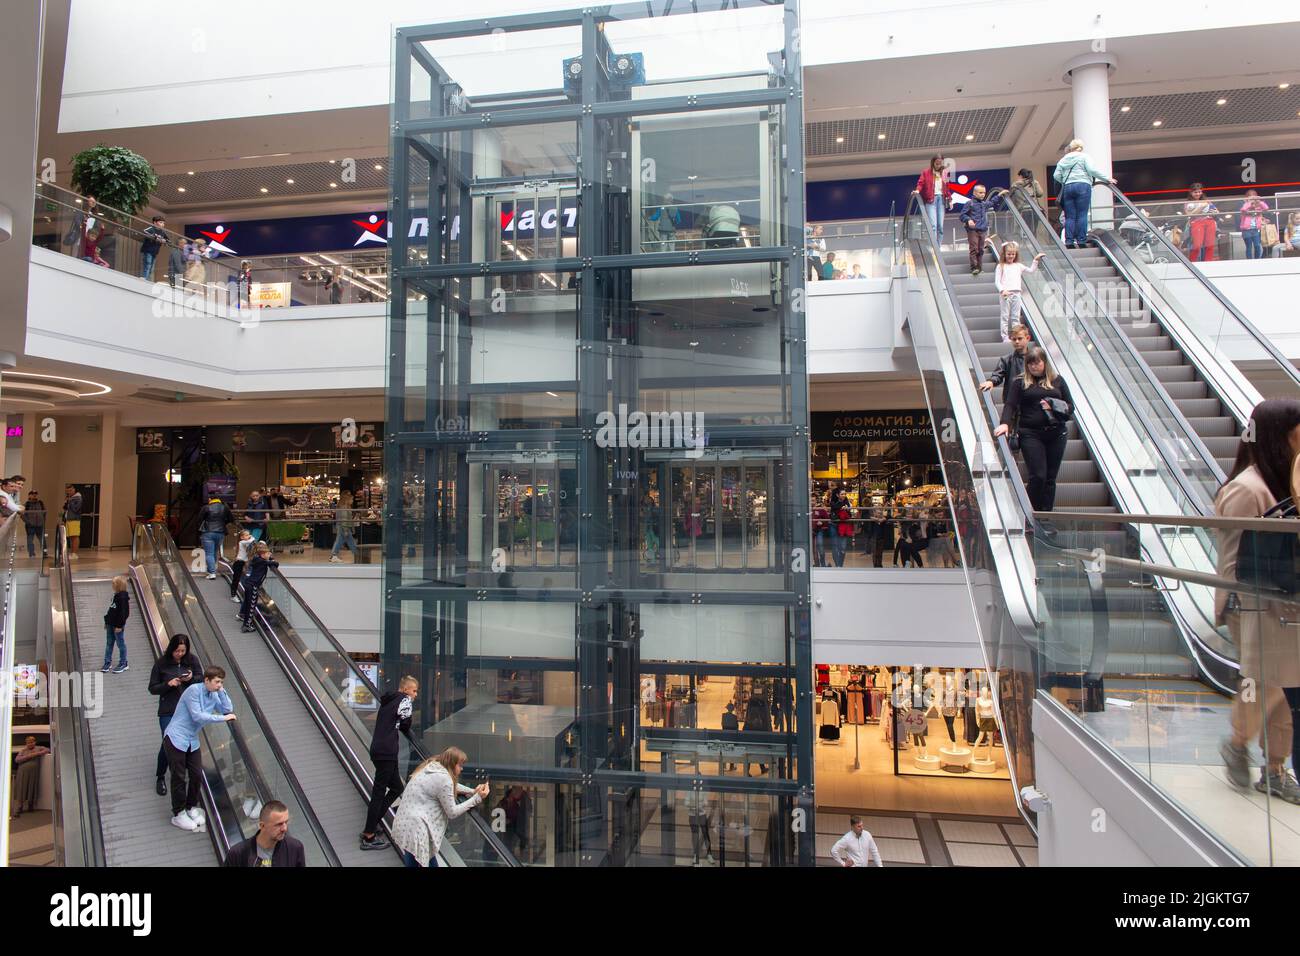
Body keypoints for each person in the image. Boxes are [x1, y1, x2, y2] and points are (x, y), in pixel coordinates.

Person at [1215, 399, 1300, 803]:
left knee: (1280, 683)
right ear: (1279, 434)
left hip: (1283, 604)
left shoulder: (1282, 479)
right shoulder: (1247, 488)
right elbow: (1234, 554)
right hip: (1253, 604)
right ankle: (1239, 742)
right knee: (1265, 683)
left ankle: (1276, 766)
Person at [995, 347, 1073, 512]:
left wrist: (1054, 405)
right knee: (1038, 475)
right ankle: (1031, 515)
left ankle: (1046, 517)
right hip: (1030, 433)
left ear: (1044, 362)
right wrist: (1005, 423)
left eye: (1037, 362)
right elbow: (1010, 404)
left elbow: (1071, 406)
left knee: (1050, 479)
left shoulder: (1057, 380)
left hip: (1056, 433)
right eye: (1030, 363)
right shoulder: (1020, 382)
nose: (1033, 366)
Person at [390, 746, 489, 868]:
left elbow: (450, 787)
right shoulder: (444, 779)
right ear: (452, 764)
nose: (462, 768)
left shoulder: (432, 767)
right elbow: (452, 812)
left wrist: (472, 791)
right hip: (417, 830)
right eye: (460, 765)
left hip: (406, 823)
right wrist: (477, 798)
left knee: (419, 861)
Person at [163, 665, 236, 831]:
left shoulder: (214, 694)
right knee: (179, 777)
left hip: (191, 740)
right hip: (176, 738)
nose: (219, 685)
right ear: (206, 680)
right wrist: (222, 718)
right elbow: (198, 716)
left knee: (196, 774)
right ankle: (178, 813)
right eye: (217, 682)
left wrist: (222, 691)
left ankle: (190, 807)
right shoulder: (193, 691)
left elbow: (227, 709)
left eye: (221, 682)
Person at [359, 675, 419, 851]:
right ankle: (368, 834)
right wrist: (405, 722)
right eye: (414, 690)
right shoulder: (404, 700)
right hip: (387, 752)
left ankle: (373, 823)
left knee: (397, 788)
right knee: (378, 792)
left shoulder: (388, 701)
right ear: (406, 689)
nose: (415, 694)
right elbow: (405, 723)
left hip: (378, 749)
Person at [148, 634, 203, 796]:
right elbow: (152, 688)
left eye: (183, 651)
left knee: (186, 741)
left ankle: (181, 770)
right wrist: (168, 684)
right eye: (177, 651)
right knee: (168, 743)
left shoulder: (191, 661)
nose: (180, 654)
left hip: (188, 711)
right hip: (169, 709)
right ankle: (161, 776)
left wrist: (191, 679)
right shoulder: (161, 664)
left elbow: (201, 679)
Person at [1052, 139, 1115, 249]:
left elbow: (1056, 175)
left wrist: (1065, 180)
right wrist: (1106, 179)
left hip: (1068, 187)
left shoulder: (1063, 160)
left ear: (1071, 148)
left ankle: (1069, 241)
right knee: (1082, 214)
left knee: (1069, 216)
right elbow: (1091, 170)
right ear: (1081, 147)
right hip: (1083, 186)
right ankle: (1081, 240)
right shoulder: (1085, 157)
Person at [224, 801, 306, 867]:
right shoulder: (237, 853)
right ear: (262, 826)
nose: (284, 828)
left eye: (286, 822)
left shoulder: (295, 848)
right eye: (279, 824)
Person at [993, 243, 1045, 341]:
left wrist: (1036, 260)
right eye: (1009, 254)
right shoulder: (1001, 266)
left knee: (1015, 317)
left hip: (1017, 293)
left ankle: (1015, 336)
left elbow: (1031, 270)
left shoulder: (1018, 265)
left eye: (1013, 254)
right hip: (1006, 294)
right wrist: (1002, 290)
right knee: (1005, 316)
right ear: (1004, 254)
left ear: (1015, 254)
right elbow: (997, 281)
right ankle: (1004, 337)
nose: (1011, 256)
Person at [958, 184, 1005, 276]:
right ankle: (974, 267)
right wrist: (968, 220)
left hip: (982, 229)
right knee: (974, 248)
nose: (983, 194)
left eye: (984, 192)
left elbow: (992, 202)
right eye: (980, 192)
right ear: (974, 193)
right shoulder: (969, 203)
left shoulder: (984, 204)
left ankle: (979, 268)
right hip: (973, 230)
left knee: (980, 249)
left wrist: (999, 195)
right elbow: (962, 215)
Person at [980, 323, 1032, 404]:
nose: (1017, 341)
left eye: (1020, 338)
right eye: (1014, 339)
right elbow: (998, 375)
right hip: (1013, 402)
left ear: (1028, 338)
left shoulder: (1036, 359)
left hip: (1032, 402)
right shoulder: (1006, 360)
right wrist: (991, 381)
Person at [239, 541, 277, 632]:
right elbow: (275, 564)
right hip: (253, 586)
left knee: (249, 604)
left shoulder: (258, 559)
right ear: (263, 554)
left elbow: (269, 560)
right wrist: (271, 560)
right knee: (251, 605)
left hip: (249, 584)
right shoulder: (262, 561)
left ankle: (244, 618)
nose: (270, 554)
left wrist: (269, 558)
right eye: (268, 553)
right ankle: (247, 625)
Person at [10, 736, 50, 819]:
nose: (30, 744)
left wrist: (36, 753)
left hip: (33, 773)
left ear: (35, 742)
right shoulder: (23, 750)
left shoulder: (39, 748)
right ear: (26, 743)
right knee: (22, 788)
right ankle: (19, 807)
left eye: (32, 742)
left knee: (31, 786)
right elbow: (17, 760)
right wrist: (29, 756)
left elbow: (47, 750)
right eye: (28, 742)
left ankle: (30, 805)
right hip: (23, 772)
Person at [1184, 183, 1222, 262]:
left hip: (1210, 221)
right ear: (1191, 192)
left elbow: (1217, 211)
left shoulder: (1206, 200)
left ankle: (1208, 263)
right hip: (1196, 222)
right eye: (1195, 192)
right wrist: (1201, 207)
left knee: (1210, 245)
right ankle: (1192, 264)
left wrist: (1214, 212)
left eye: (1199, 192)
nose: (1198, 194)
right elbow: (1188, 214)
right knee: (1197, 245)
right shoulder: (1188, 203)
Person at [914, 154, 949, 242]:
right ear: (933, 162)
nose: (938, 165)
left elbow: (947, 187)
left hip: (941, 200)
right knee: (933, 225)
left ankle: (938, 248)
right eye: (936, 163)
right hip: (930, 200)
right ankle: (934, 248)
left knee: (940, 226)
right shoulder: (926, 172)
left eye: (940, 163)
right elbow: (921, 183)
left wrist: (950, 199)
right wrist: (917, 190)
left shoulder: (944, 173)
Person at [198, 496, 234, 581]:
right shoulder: (225, 508)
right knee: (214, 552)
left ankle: (212, 572)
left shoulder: (206, 507)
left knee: (209, 553)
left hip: (208, 532)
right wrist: (223, 523)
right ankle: (212, 570)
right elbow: (231, 519)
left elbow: (199, 519)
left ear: (210, 499)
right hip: (221, 532)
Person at [101, 575, 130, 675]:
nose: (112, 585)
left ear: (118, 585)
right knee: (109, 643)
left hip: (117, 625)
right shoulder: (116, 595)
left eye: (114, 583)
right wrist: (107, 621)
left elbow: (124, 613)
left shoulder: (122, 598)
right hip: (110, 623)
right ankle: (107, 662)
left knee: (120, 643)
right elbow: (111, 610)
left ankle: (123, 662)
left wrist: (119, 625)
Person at [683, 787, 715, 866]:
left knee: (705, 833)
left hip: (702, 814)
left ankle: (709, 854)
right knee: (694, 834)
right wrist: (697, 805)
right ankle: (695, 855)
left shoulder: (703, 790)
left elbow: (706, 802)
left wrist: (694, 805)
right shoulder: (689, 790)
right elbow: (686, 803)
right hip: (692, 815)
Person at [1238, 190, 1270, 260]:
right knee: (1249, 247)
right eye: (1251, 197)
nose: (1253, 199)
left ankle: (1257, 260)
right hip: (1246, 230)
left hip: (1255, 229)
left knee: (1257, 245)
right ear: (1247, 198)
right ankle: (1249, 261)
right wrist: (1249, 203)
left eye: (1254, 197)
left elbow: (1266, 208)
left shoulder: (1258, 206)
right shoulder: (1245, 205)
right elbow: (1243, 209)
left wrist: (1259, 201)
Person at [330, 491, 360, 563]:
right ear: (347, 500)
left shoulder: (343, 506)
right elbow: (344, 519)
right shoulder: (344, 507)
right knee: (349, 541)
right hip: (343, 527)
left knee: (344, 541)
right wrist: (346, 530)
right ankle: (357, 555)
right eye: (351, 500)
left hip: (342, 527)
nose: (352, 501)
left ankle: (334, 556)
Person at [228, 529, 254, 602]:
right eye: (246, 535)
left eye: (248, 534)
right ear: (241, 537)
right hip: (239, 563)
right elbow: (250, 541)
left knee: (243, 578)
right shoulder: (242, 542)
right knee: (236, 579)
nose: (248, 536)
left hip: (242, 563)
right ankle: (233, 595)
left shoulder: (245, 542)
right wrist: (252, 537)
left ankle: (244, 593)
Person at [829, 488, 852, 568]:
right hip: (834, 525)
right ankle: (837, 565)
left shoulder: (847, 502)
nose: (844, 495)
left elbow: (849, 514)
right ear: (837, 495)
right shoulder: (833, 502)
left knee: (843, 547)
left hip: (843, 526)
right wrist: (842, 506)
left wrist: (847, 509)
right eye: (842, 494)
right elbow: (834, 507)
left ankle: (840, 565)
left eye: (845, 494)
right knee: (835, 546)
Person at [140, 216, 167, 280]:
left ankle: (147, 278)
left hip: (155, 251)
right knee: (148, 264)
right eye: (160, 222)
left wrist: (165, 241)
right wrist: (154, 237)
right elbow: (144, 231)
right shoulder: (152, 228)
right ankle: (145, 277)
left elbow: (168, 240)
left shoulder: (162, 232)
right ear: (155, 222)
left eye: (163, 223)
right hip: (148, 250)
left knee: (151, 266)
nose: (162, 224)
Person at [21, 489, 45, 557]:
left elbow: (44, 512)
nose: (34, 495)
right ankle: (31, 553)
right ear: (29, 495)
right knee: (30, 540)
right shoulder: (26, 504)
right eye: (32, 494)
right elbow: (21, 514)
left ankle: (44, 553)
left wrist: (42, 520)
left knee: (42, 539)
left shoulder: (41, 503)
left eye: (35, 494)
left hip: (40, 525)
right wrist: (28, 522)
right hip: (30, 526)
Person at [63, 484, 83, 560]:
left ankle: (75, 553)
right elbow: (66, 509)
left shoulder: (78, 498)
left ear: (74, 490)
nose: (69, 492)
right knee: (71, 537)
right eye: (67, 491)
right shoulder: (71, 498)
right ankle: (72, 553)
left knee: (75, 536)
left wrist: (69, 501)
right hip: (69, 519)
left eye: (71, 490)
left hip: (74, 519)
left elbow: (76, 509)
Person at [811, 493, 831, 567]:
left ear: (816, 501)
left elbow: (827, 519)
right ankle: (817, 564)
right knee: (813, 549)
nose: (811, 502)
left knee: (820, 546)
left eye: (813, 500)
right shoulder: (807, 509)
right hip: (809, 531)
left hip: (818, 531)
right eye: (810, 500)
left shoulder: (820, 509)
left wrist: (822, 522)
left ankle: (823, 563)